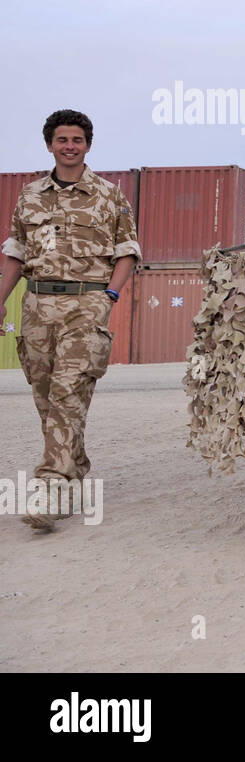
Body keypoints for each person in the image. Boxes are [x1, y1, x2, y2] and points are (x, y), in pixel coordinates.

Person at [0, 110, 141, 531]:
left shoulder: (109, 195)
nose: (69, 146)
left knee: (67, 395)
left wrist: (107, 298)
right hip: (38, 308)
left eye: (77, 140)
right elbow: (16, 254)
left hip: (85, 307)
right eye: (62, 139)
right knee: (48, 400)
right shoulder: (29, 197)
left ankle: (51, 490)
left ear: (87, 146)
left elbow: (128, 251)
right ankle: (73, 466)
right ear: (50, 145)